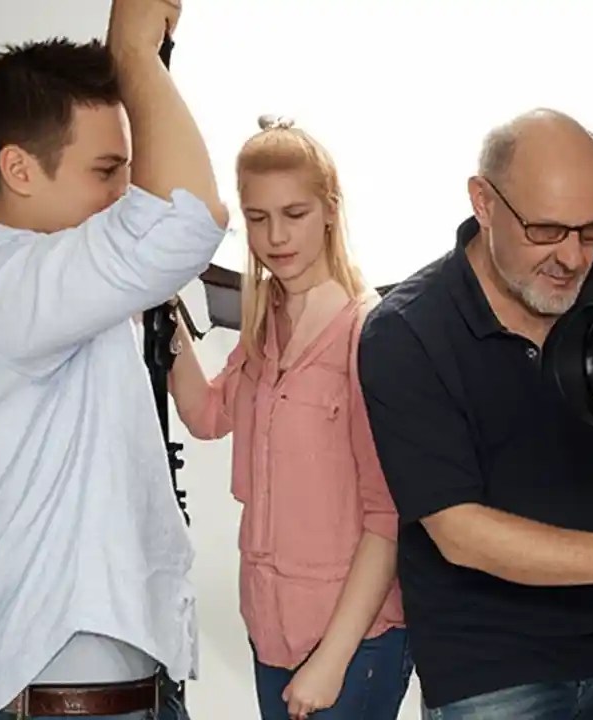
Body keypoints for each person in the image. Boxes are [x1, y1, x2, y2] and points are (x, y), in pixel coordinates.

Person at [356, 108, 593, 719]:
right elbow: (460, 532)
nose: (573, 258)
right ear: (483, 202)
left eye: (590, 229)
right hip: (487, 673)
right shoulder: (404, 333)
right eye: (547, 230)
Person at [0, 1, 230, 718]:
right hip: (73, 699)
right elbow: (186, 219)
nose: (125, 193)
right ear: (19, 169)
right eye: (105, 171)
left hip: (107, 692)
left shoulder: (47, 297)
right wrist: (133, 56)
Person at [168, 116, 411, 720]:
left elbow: (389, 517)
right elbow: (205, 414)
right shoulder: (262, 328)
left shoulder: (368, 333)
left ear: (330, 210)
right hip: (269, 632)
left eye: (294, 214)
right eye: (257, 218)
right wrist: (163, 307)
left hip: (353, 643)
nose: (276, 236)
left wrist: (331, 661)